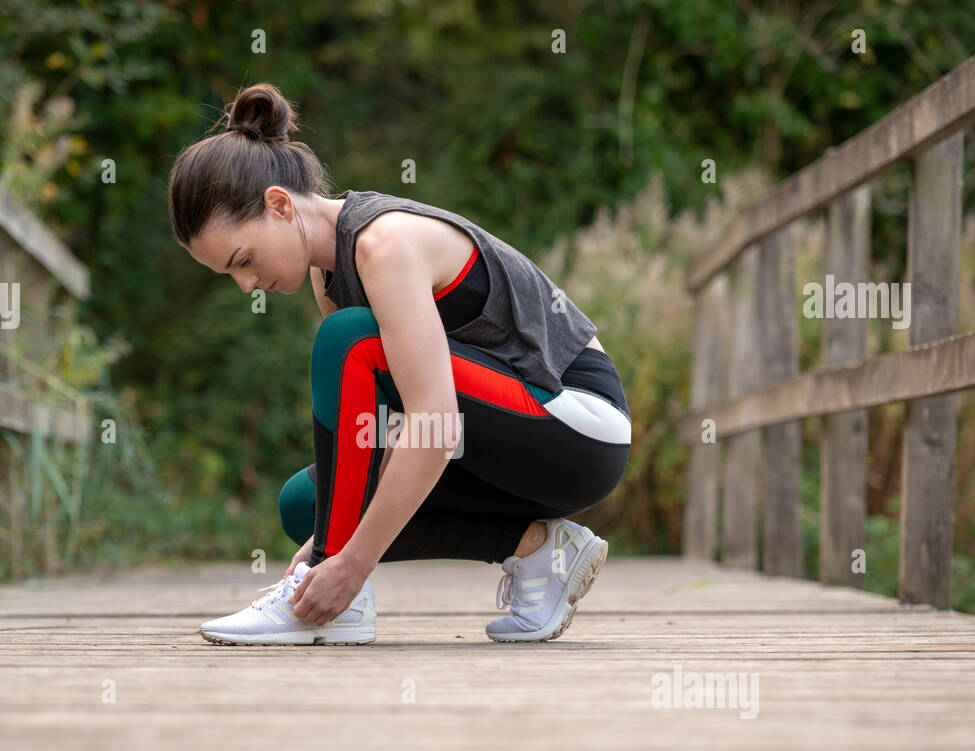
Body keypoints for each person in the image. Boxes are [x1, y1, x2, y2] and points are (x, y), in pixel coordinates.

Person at [167, 82, 631, 646]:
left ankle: (340, 606)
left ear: (280, 204)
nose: (246, 284)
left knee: (351, 341)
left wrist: (350, 563)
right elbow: (384, 434)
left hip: (577, 428)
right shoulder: (329, 273)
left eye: (244, 259)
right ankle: (539, 550)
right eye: (230, 275)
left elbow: (435, 423)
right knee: (307, 505)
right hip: (506, 443)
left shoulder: (384, 244)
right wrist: (325, 542)